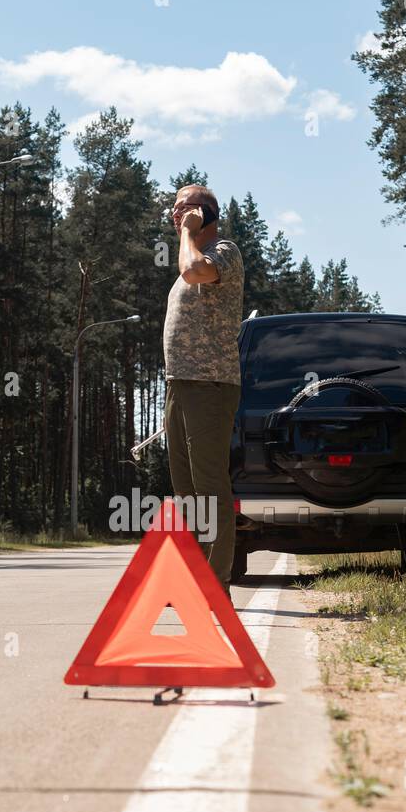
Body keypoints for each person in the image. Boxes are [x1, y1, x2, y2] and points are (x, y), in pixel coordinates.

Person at [162, 183, 244, 596]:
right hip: (180, 385)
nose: (174, 213)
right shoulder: (190, 255)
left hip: (210, 384)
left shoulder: (223, 252)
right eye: (174, 209)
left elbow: (193, 271)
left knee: (211, 484)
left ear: (205, 214)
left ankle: (217, 584)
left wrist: (187, 232)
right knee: (186, 491)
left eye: (182, 208)